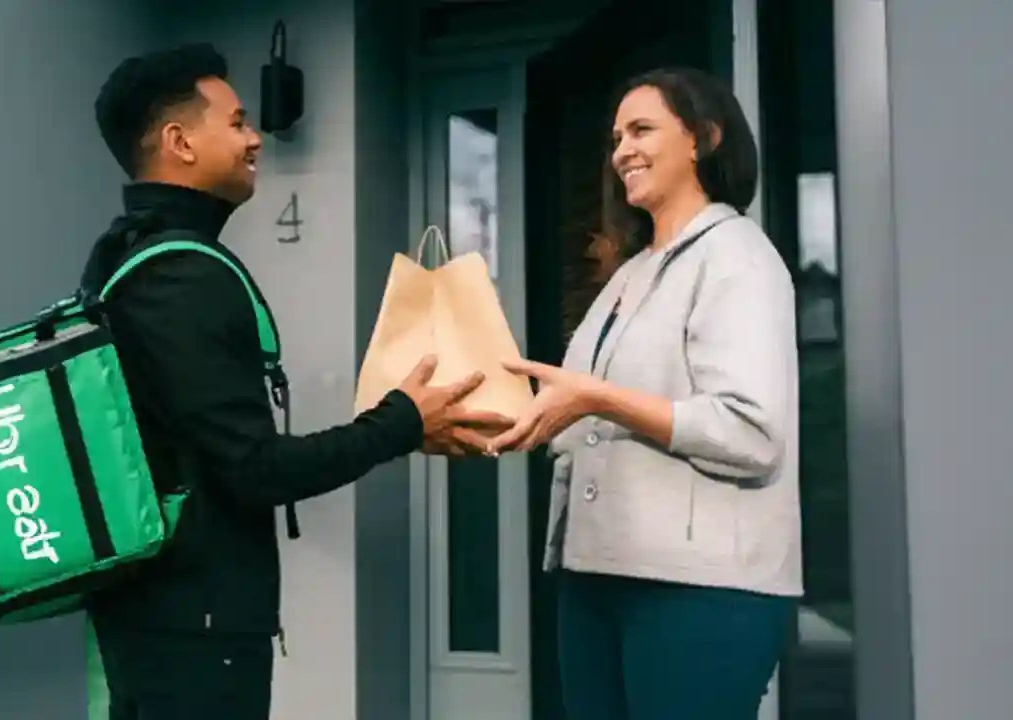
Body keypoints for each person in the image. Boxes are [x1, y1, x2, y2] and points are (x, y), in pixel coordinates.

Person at [82, 44, 511, 720]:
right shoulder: (182, 277)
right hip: (194, 632)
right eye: (236, 121)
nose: (256, 139)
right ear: (179, 141)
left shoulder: (132, 254)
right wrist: (400, 422)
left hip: (168, 622)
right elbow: (255, 470)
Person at [492, 67, 801, 719]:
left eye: (642, 130)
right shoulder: (631, 274)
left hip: (700, 591)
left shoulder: (738, 258)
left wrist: (595, 399)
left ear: (704, 139)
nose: (621, 151)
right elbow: (584, 412)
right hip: (598, 578)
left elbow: (751, 433)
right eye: (615, 137)